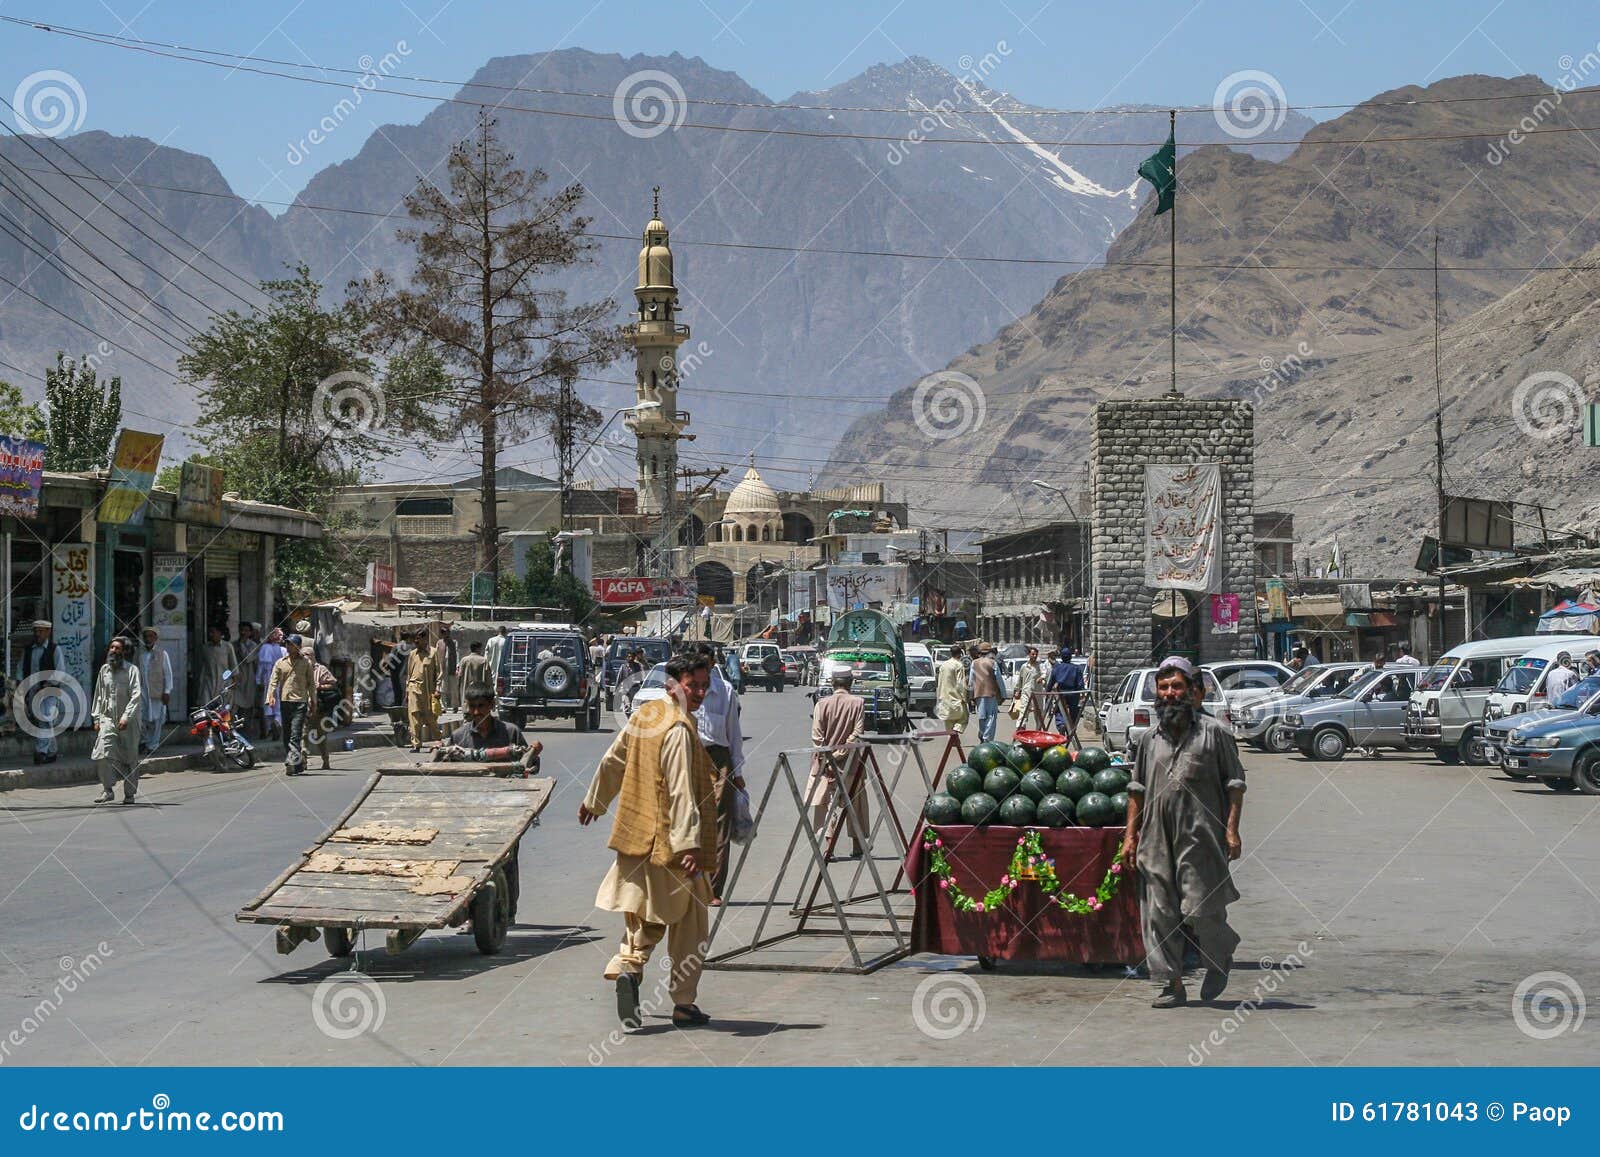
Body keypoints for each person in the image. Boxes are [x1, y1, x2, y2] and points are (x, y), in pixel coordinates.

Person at [579, 651, 719, 1030]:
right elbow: (681, 789)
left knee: (644, 915)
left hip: (635, 838)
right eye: (692, 686)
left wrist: (595, 801)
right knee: (690, 927)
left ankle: (628, 966)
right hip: (671, 847)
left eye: (704, 686)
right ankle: (683, 1003)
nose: (699, 692)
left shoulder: (645, 715)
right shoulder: (678, 729)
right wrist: (689, 844)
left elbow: (614, 759)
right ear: (672, 685)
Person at [1125, 656, 1246, 1009]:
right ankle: (1172, 984)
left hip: (1201, 834)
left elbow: (1235, 784)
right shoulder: (1149, 739)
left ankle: (1220, 955)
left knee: (1200, 908)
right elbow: (1136, 790)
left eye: (1176, 686)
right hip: (1155, 836)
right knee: (1159, 911)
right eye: (1163, 687)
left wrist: (1232, 831)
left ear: (1192, 691)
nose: (1169, 693)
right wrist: (1130, 836)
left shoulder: (1215, 733)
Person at [691, 643, 745, 906]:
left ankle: (713, 890)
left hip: (718, 760)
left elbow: (733, 733)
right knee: (688, 820)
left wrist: (737, 771)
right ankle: (687, 883)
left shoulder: (725, 691)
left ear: (713, 663)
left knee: (719, 824)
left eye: (706, 662)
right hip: (689, 756)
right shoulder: (682, 690)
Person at [807, 670, 868, 859]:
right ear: (851, 683)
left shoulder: (821, 704)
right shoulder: (858, 703)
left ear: (832, 682)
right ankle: (857, 846)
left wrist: (829, 758)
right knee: (855, 804)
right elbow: (857, 734)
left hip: (825, 765)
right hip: (851, 764)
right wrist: (841, 754)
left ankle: (828, 848)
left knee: (827, 805)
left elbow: (817, 737)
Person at [91, 637, 144, 804]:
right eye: (111, 647)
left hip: (129, 721)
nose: (113, 651)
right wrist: (97, 717)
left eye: (117, 648)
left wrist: (126, 716)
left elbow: (136, 696)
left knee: (130, 758)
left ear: (124, 652)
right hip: (107, 719)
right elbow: (99, 695)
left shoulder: (132, 670)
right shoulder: (104, 670)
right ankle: (107, 790)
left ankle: (129, 794)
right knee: (102, 753)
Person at [264, 634, 315, 775]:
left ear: (298, 647)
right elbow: (273, 681)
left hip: (300, 702)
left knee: (295, 734)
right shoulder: (280, 663)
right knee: (286, 734)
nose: (288, 647)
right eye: (287, 644)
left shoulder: (306, 663)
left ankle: (291, 760)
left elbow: (311, 684)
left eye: (291, 644)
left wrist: (313, 701)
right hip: (285, 701)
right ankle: (297, 764)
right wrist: (270, 696)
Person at [16, 619, 61, 764]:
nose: (38, 634)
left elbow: (59, 672)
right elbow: (21, 669)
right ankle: (52, 752)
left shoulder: (55, 649)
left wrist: (47, 684)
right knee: (44, 722)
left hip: (49, 691)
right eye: (36, 631)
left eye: (41, 631)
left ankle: (41, 752)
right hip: (32, 691)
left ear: (48, 632)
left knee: (45, 719)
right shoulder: (28, 650)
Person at [137, 627, 172, 754]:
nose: (148, 639)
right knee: (141, 717)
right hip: (142, 690)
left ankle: (153, 745)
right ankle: (144, 741)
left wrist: (167, 691)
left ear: (155, 638)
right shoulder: (139, 654)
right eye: (146, 636)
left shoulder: (162, 654)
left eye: (151, 636)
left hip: (157, 691)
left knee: (157, 719)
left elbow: (167, 674)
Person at [405, 632, 440, 751]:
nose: (416, 642)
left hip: (428, 691)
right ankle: (416, 744)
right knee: (414, 716)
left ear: (425, 639)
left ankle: (438, 739)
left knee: (430, 717)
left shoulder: (433, 653)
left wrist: (438, 689)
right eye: (415, 639)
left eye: (418, 639)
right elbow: (409, 673)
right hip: (413, 688)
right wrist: (407, 691)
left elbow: (439, 672)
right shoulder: (412, 654)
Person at [968, 642, 1005, 744]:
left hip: (978, 694)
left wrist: (970, 696)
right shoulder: (993, 663)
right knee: (991, 717)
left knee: (982, 716)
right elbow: (999, 680)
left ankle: (982, 735)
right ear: (989, 652)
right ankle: (987, 739)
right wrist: (1003, 694)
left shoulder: (974, 663)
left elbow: (971, 681)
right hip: (991, 694)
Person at [308, 657, 341, 771]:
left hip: (319, 708)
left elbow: (333, 684)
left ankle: (325, 760)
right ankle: (303, 761)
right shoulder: (299, 668)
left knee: (320, 735)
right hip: (304, 707)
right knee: (303, 734)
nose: (304, 657)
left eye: (307, 654)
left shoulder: (321, 669)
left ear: (312, 656)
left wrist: (320, 686)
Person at [1047, 645, 1087, 738]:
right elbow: (1080, 683)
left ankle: (1061, 724)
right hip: (1073, 693)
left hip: (1061, 693)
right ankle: (1071, 727)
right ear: (1070, 657)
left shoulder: (1057, 668)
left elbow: (1051, 682)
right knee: (1074, 710)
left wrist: (1048, 692)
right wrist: (1083, 694)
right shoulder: (1076, 668)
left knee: (1059, 710)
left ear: (1061, 657)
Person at [257, 629, 287, 740]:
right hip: (279, 678)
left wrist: (258, 680)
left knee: (269, 703)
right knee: (278, 703)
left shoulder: (266, 648)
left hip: (269, 678)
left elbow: (261, 667)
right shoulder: (283, 650)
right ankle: (277, 723)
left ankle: (270, 727)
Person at [197, 625, 238, 707]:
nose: (211, 635)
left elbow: (233, 665)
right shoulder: (205, 648)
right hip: (209, 682)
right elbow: (202, 666)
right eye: (210, 632)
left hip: (224, 682)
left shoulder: (228, 647)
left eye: (213, 632)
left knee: (223, 707)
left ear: (219, 633)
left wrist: (234, 681)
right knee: (206, 706)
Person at [233, 623, 262, 738]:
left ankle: (247, 730)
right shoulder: (233, 645)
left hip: (249, 679)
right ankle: (235, 730)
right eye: (241, 630)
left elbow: (248, 658)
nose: (243, 633)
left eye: (246, 631)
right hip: (237, 679)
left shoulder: (253, 645)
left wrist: (242, 644)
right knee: (236, 705)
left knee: (249, 706)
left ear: (250, 633)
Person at [935, 643, 969, 734]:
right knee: (964, 718)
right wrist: (964, 698)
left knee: (948, 722)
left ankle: (952, 736)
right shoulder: (958, 665)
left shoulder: (943, 665)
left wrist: (939, 698)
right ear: (960, 654)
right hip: (956, 699)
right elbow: (961, 683)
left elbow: (939, 683)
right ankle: (955, 732)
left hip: (944, 699)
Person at [1009, 646, 1048, 725]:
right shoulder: (1024, 666)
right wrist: (1017, 691)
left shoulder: (1040, 666)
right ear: (1029, 655)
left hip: (1037, 694)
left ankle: (1038, 729)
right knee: (1023, 712)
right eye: (1033, 654)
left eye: (1036, 654)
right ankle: (1020, 728)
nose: (1034, 656)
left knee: (1039, 714)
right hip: (1026, 694)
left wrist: (1041, 678)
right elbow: (1020, 680)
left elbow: (1045, 674)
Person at [433, 624, 455, 715]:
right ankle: (443, 706)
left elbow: (455, 654)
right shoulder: (439, 643)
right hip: (442, 669)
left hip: (451, 668)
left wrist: (456, 667)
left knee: (453, 688)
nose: (446, 634)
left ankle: (454, 706)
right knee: (442, 688)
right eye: (444, 633)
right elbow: (436, 654)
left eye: (447, 633)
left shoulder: (452, 642)